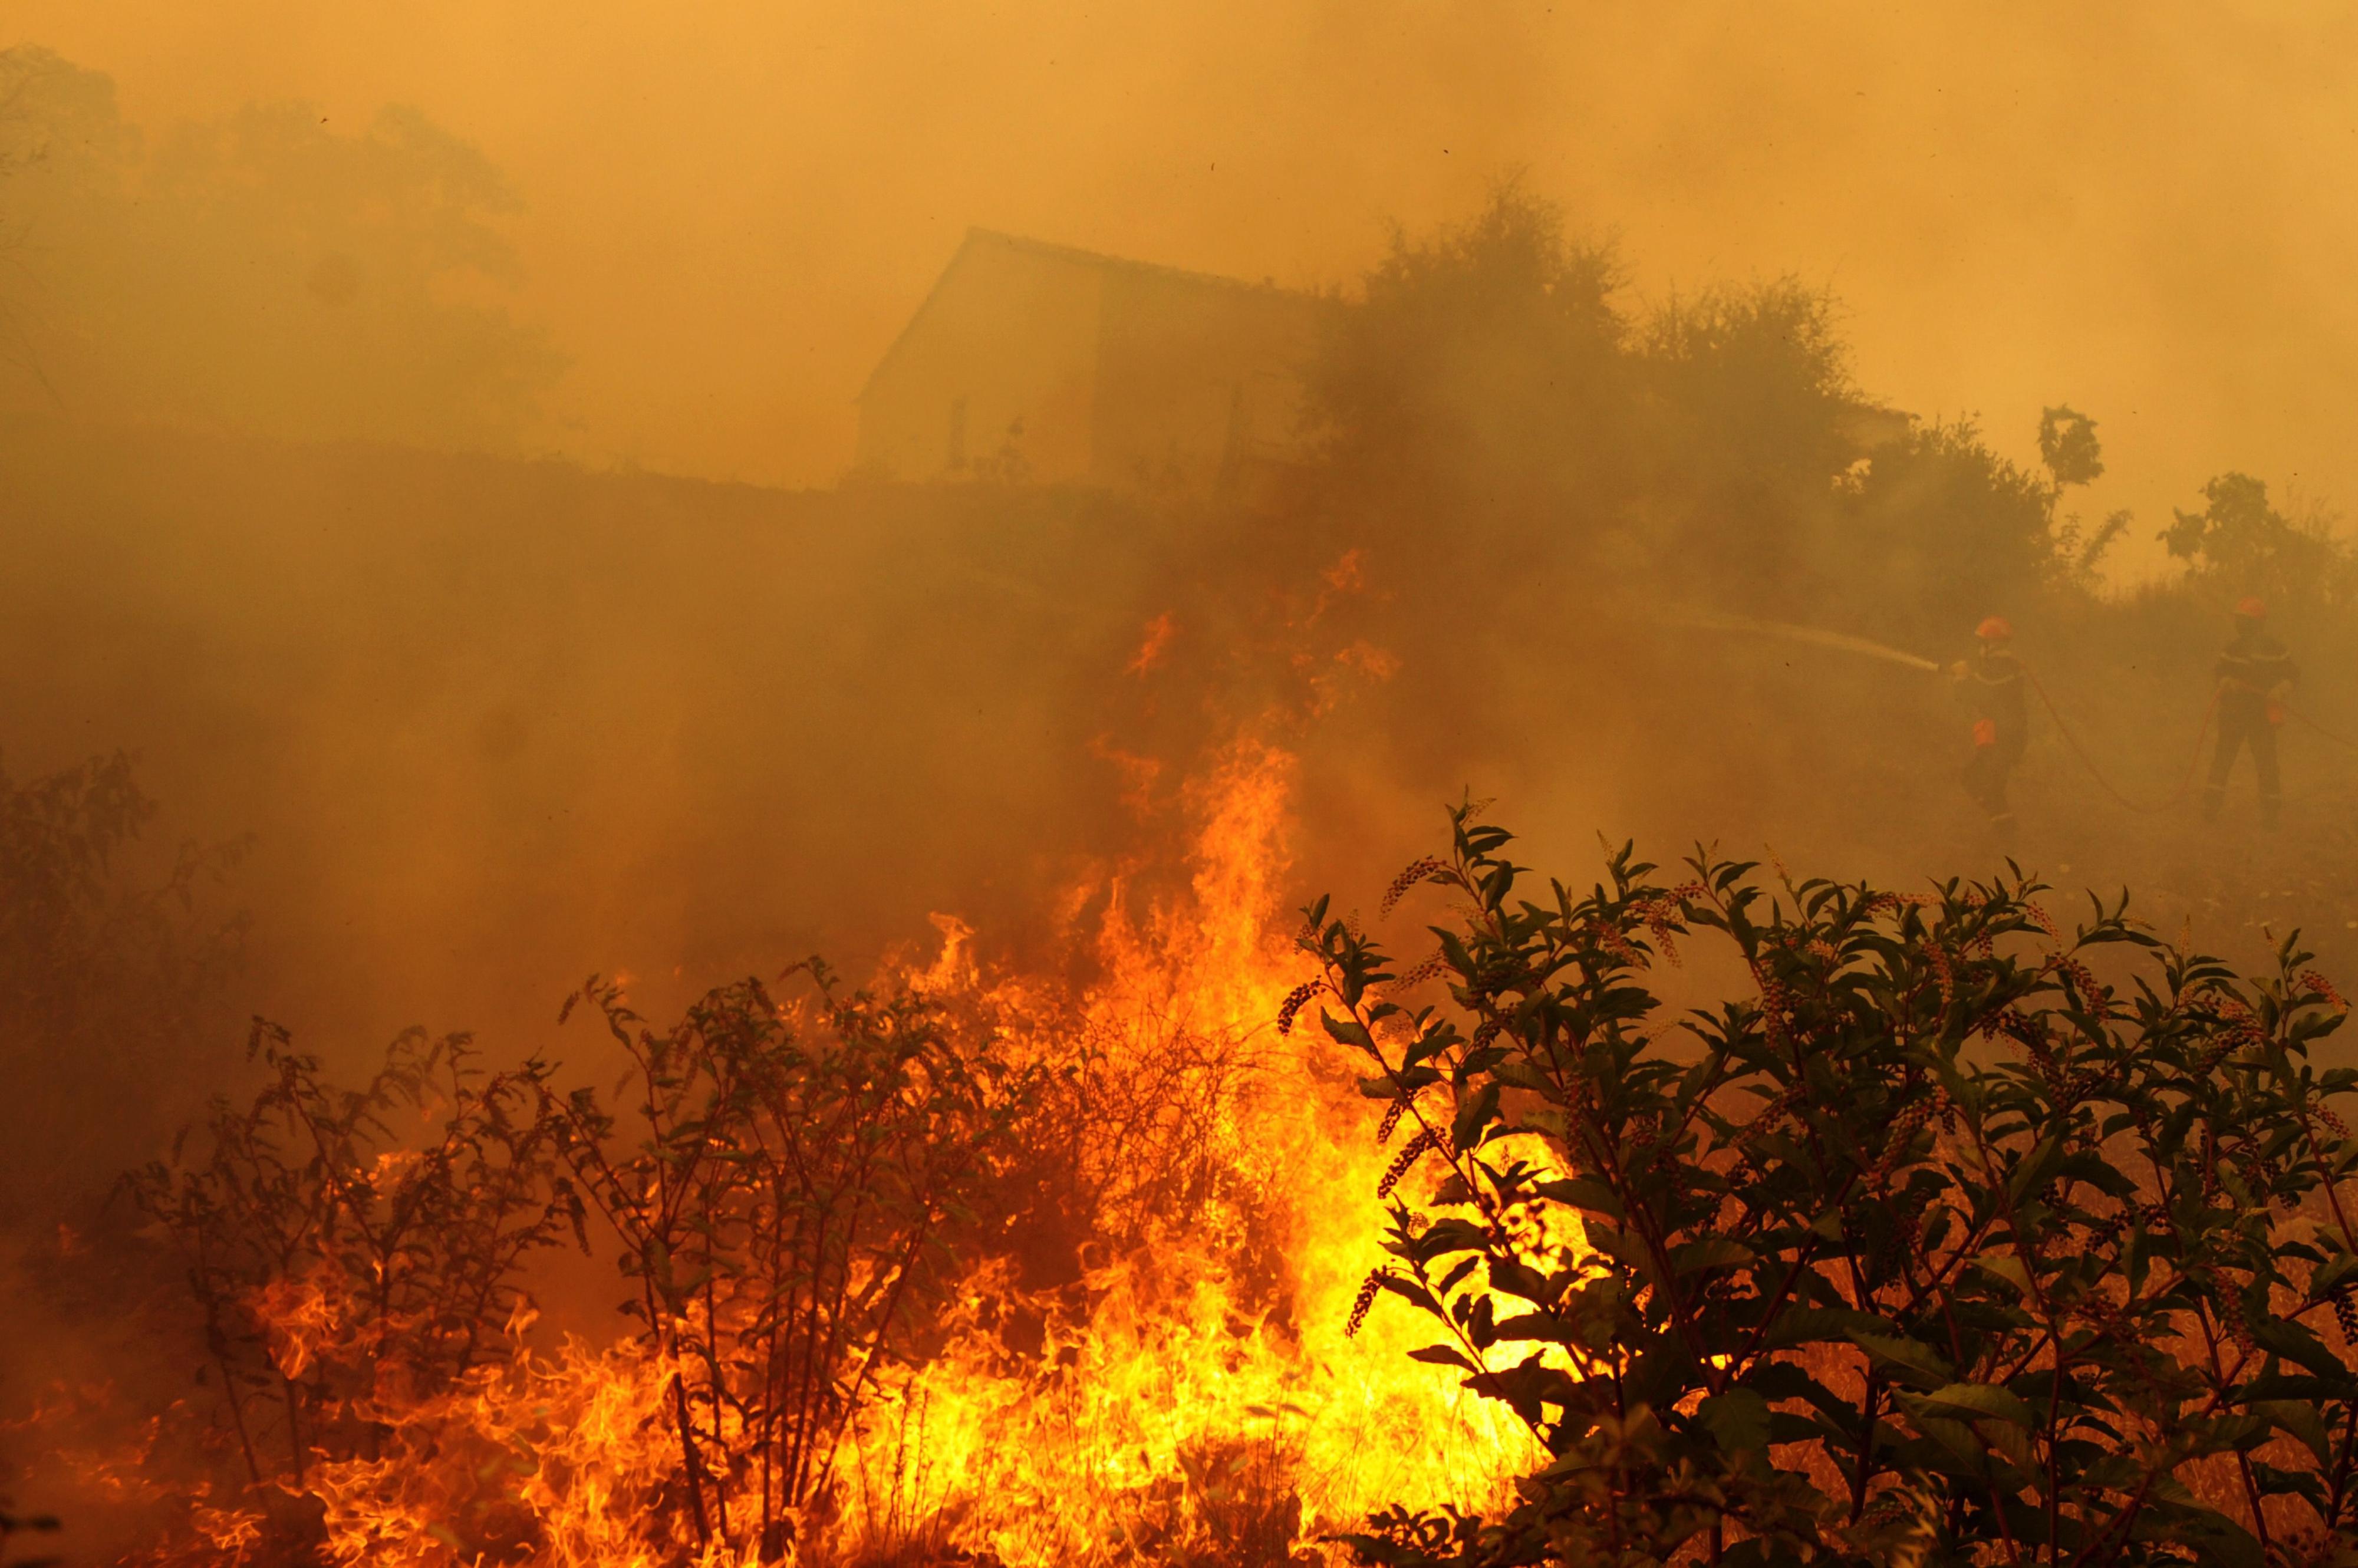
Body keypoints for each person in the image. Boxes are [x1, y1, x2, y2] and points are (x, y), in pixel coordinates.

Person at [2202, 596, 2298, 828]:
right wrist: (2227, 681)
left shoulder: (2276, 649)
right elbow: (2219, 672)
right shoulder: (2232, 648)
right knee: (2223, 759)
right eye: (2239, 620)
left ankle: (2271, 814)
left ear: (2258, 624)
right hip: (2234, 713)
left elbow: (2292, 674)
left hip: (2262, 715)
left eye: (2245, 620)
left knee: (2267, 763)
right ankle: (2211, 808)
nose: (2240, 624)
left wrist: (2281, 689)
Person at [1952, 616, 2028, 836]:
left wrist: (1962, 677)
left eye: (1982, 643)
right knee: (1974, 780)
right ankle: (2006, 830)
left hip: (2006, 738)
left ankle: (2008, 837)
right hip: (1998, 736)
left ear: (1991, 643)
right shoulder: (1997, 666)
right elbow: (1975, 692)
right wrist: (1962, 679)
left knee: (1986, 785)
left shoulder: (2004, 666)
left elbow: (1977, 692)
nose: (1980, 648)